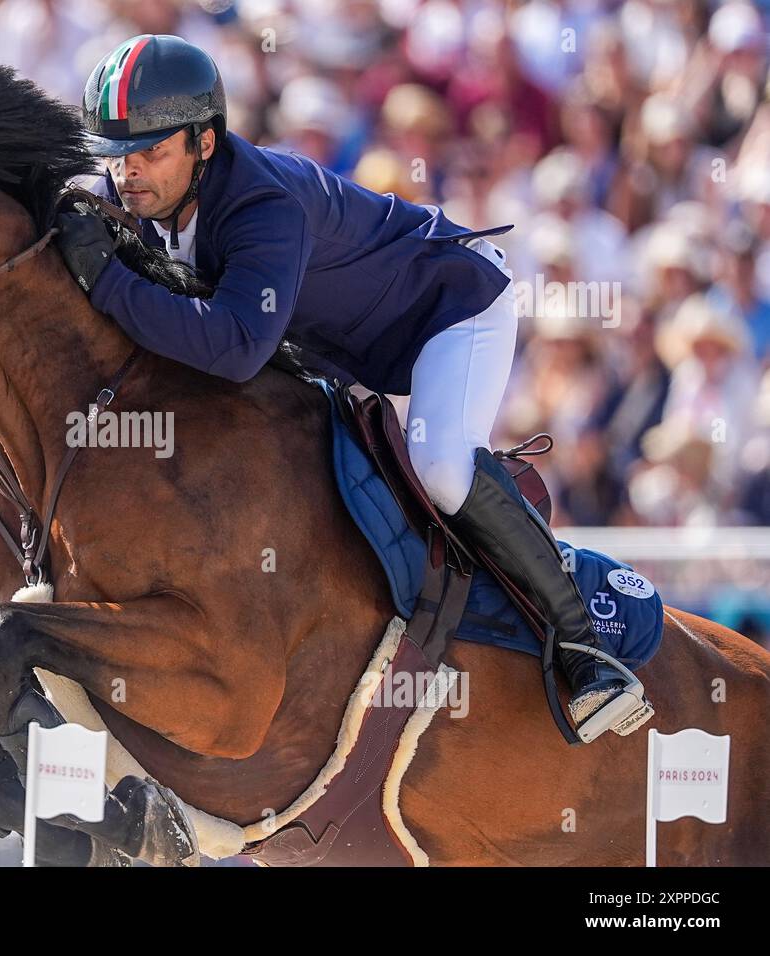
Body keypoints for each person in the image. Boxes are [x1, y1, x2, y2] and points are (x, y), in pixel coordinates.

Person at [54, 34, 652, 740]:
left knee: (441, 469)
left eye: (150, 152)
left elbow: (238, 347)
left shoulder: (261, 203)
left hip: (450, 310)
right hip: (350, 352)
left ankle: (584, 650)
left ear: (205, 142)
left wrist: (110, 280)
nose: (128, 175)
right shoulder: (142, 189)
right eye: (116, 157)